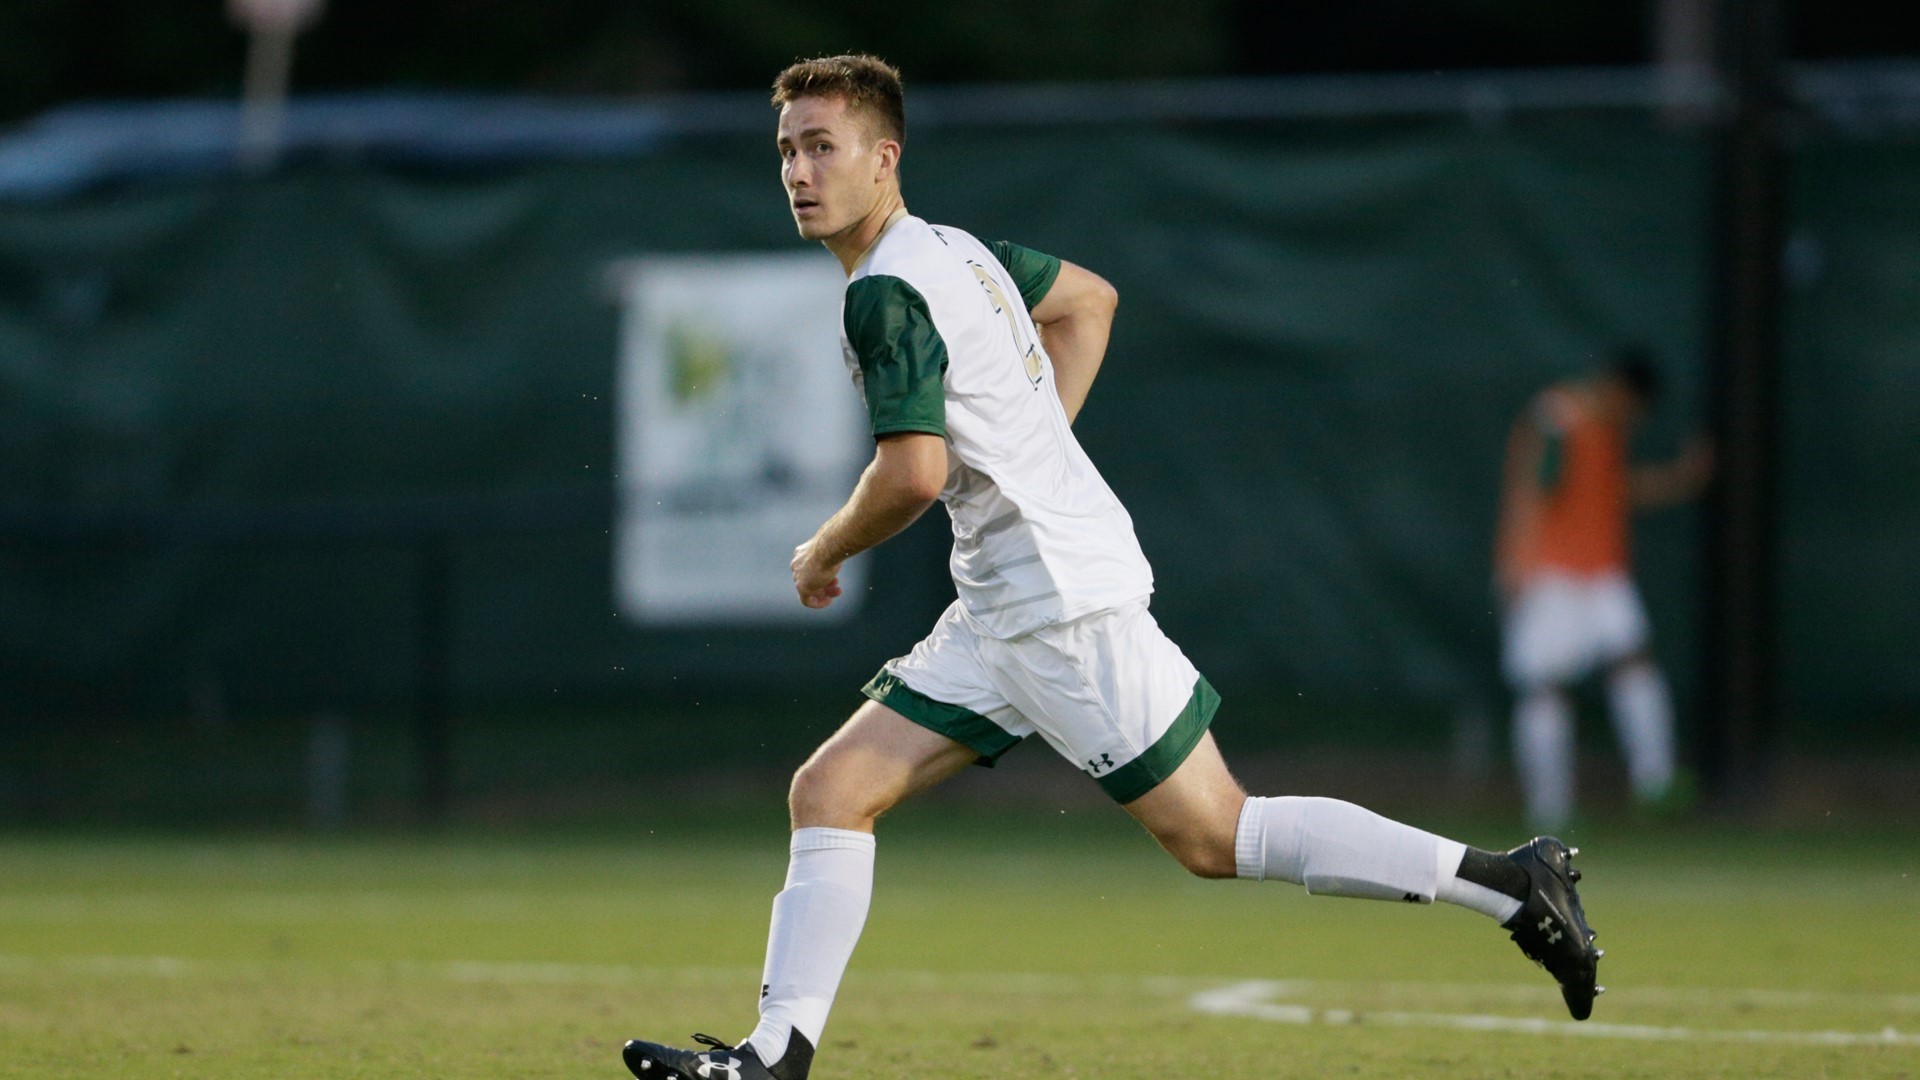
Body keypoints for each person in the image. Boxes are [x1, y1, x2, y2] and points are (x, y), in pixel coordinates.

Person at [623, 55, 1603, 1080]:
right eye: (786, 148)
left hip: (1057, 608)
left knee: (1218, 835)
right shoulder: (958, 252)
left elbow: (911, 476)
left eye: (823, 146)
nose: (799, 170)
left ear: (885, 157)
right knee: (830, 790)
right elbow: (1089, 300)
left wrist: (824, 549)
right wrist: (1036, 449)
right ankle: (773, 1058)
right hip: (1005, 601)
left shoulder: (884, 294)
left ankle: (1510, 883)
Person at [1494, 354, 1714, 830]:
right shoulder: (1558, 416)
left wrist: (1678, 480)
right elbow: (1529, 490)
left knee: (1634, 664)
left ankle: (1653, 785)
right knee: (1545, 688)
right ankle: (1549, 810)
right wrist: (1515, 561)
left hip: (1602, 572)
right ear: (1618, 389)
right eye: (1633, 407)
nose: (1633, 419)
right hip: (1552, 573)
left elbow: (1612, 490)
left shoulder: (1608, 432)